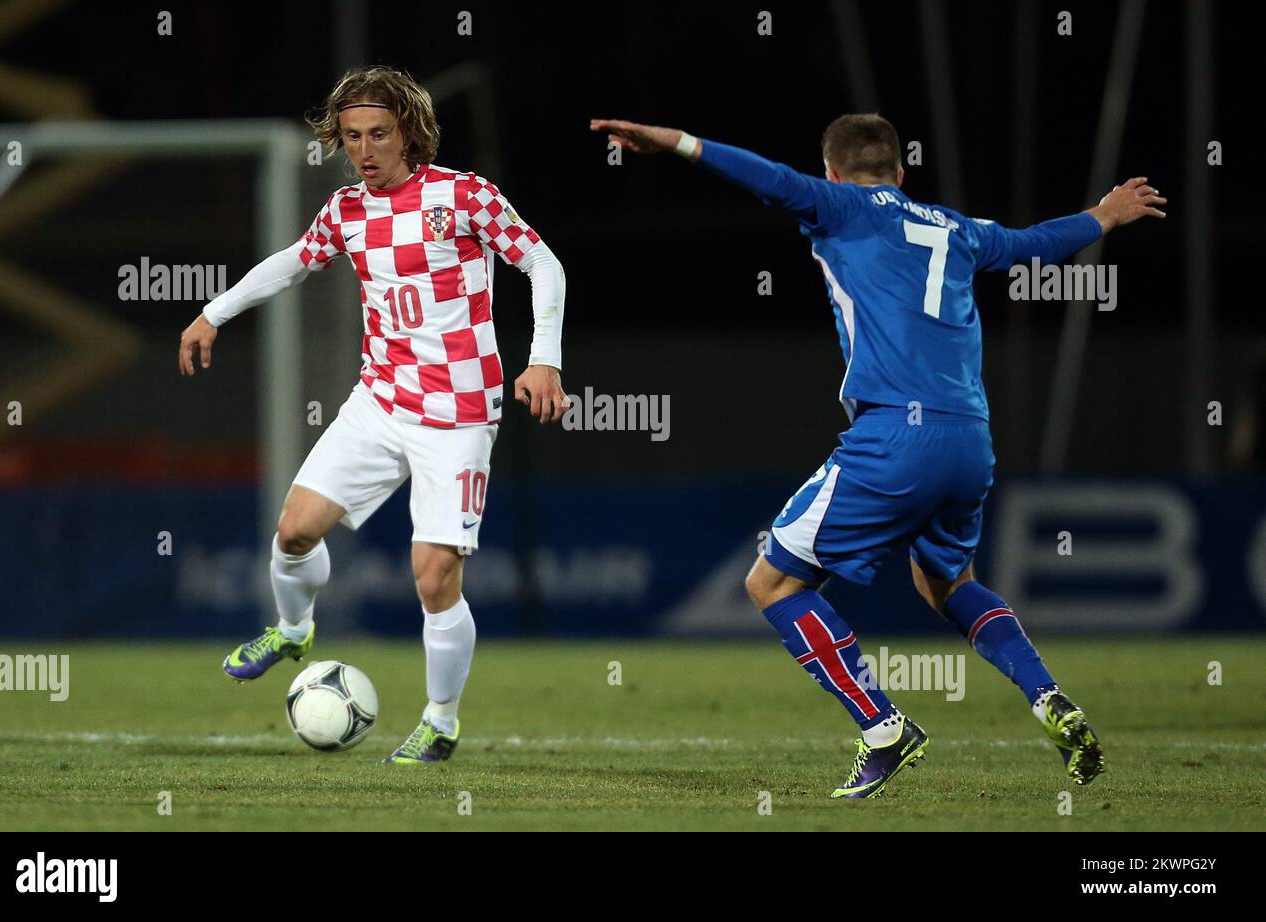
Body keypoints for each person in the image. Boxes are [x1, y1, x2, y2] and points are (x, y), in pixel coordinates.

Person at [590, 113, 1165, 798]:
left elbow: (767, 178)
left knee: (770, 585)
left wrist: (674, 142)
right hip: (970, 439)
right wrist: (1104, 213)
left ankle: (883, 727)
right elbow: (1031, 244)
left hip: (896, 437)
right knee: (947, 584)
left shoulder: (838, 205)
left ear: (832, 171)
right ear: (901, 172)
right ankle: (1047, 696)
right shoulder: (956, 228)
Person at [179, 65, 569, 765]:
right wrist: (214, 312)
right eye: (352, 136)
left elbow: (543, 264)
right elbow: (295, 262)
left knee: (432, 575)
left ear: (409, 133)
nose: (364, 149)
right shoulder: (345, 211)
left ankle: (441, 721)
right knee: (294, 530)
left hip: (457, 416)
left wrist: (545, 358)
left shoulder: (464, 197)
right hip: (380, 400)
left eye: (378, 134)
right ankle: (294, 629)